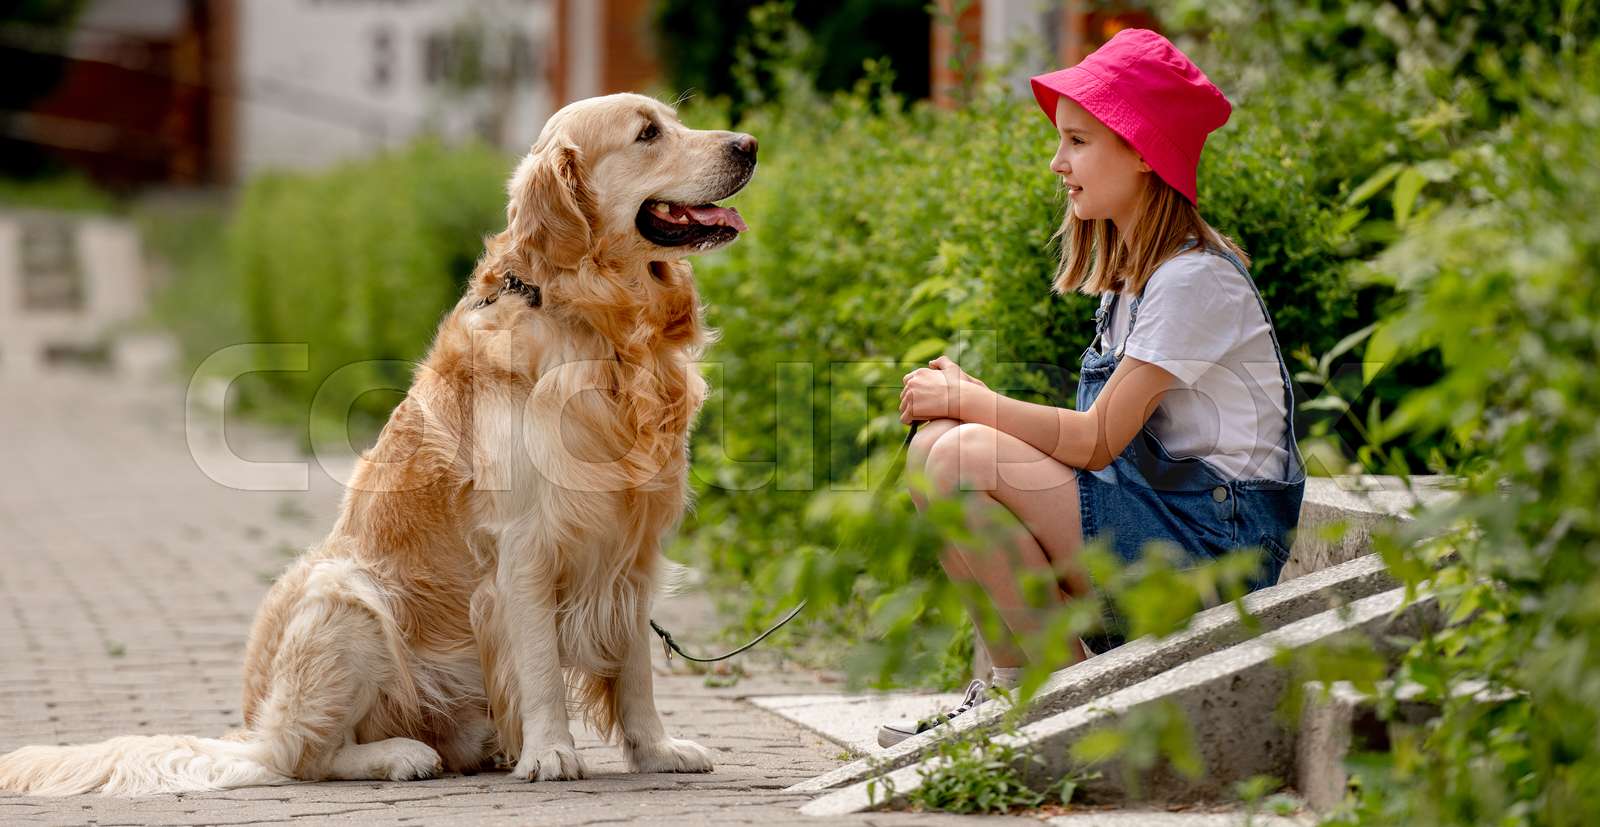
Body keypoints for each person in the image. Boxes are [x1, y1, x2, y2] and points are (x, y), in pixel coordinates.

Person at [878, 28, 1305, 749]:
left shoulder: (1194, 279)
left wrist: (972, 403)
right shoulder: (1137, 282)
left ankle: (1062, 703)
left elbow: (1096, 440)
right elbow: (1094, 450)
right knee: (939, 448)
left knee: (959, 454)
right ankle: (1015, 691)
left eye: (1077, 141)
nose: (1058, 162)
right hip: (1165, 526)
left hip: (1215, 553)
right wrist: (971, 405)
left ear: (1141, 150)